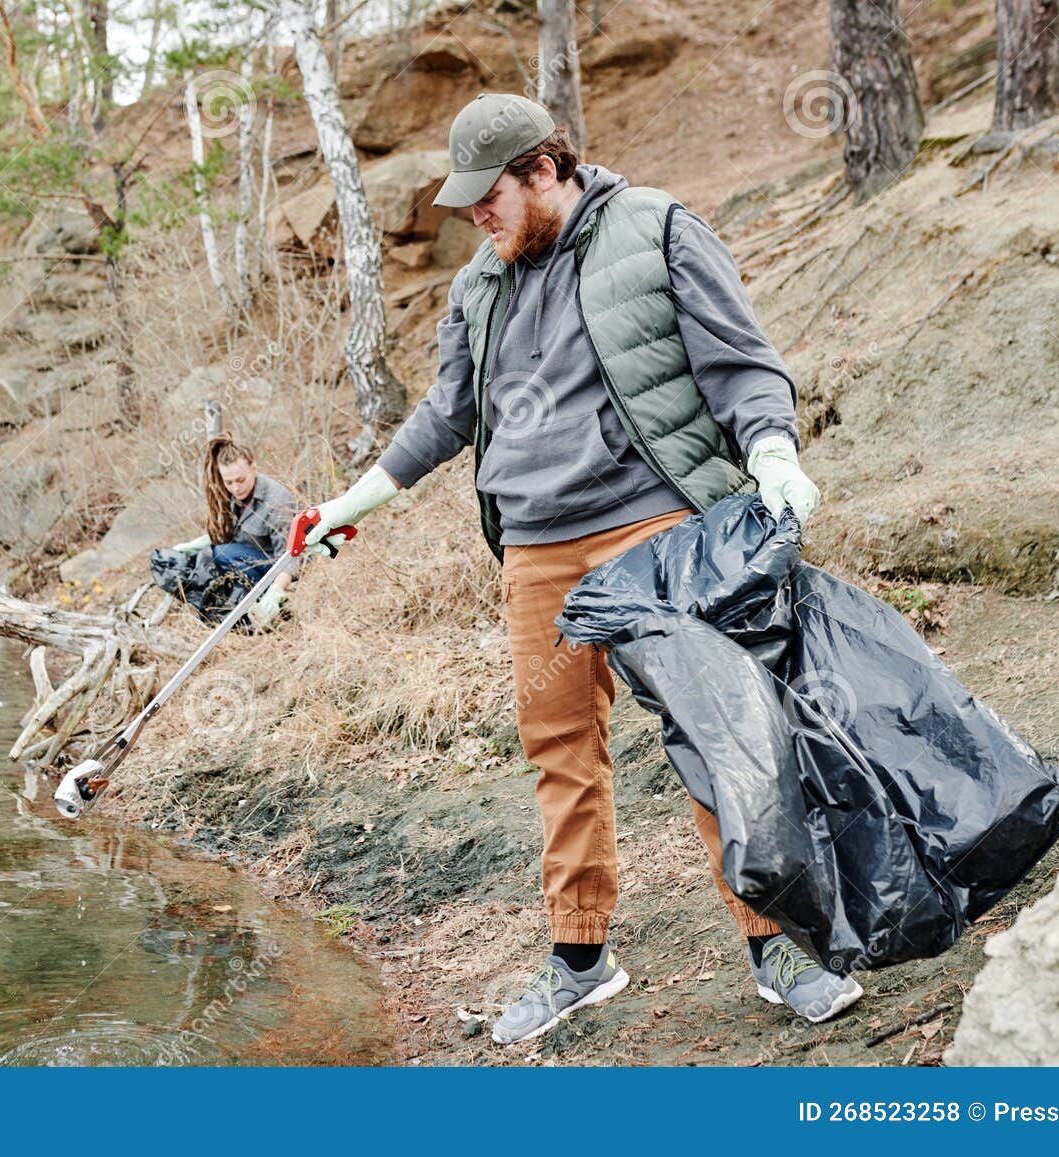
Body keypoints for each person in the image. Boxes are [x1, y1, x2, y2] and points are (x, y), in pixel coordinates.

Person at [301, 93, 862, 1044]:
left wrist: (772, 450)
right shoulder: (479, 285)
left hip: (654, 532)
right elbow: (446, 414)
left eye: (491, 197)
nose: (476, 217)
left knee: (713, 729)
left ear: (545, 169)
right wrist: (351, 506)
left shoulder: (655, 230)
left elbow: (740, 363)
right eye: (469, 204)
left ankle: (778, 942)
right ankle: (580, 958)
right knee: (561, 755)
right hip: (534, 548)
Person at [170, 434, 301, 629]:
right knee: (206, 559)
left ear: (253, 469)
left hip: (273, 568)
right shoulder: (230, 495)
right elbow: (231, 534)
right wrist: (199, 544)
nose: (235, 488)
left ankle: (262, 600)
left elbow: (290, 556)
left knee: (222, 554)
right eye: (229, 482)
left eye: (240, 480)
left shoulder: (277, 501)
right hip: (245, 560)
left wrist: (276, 591)